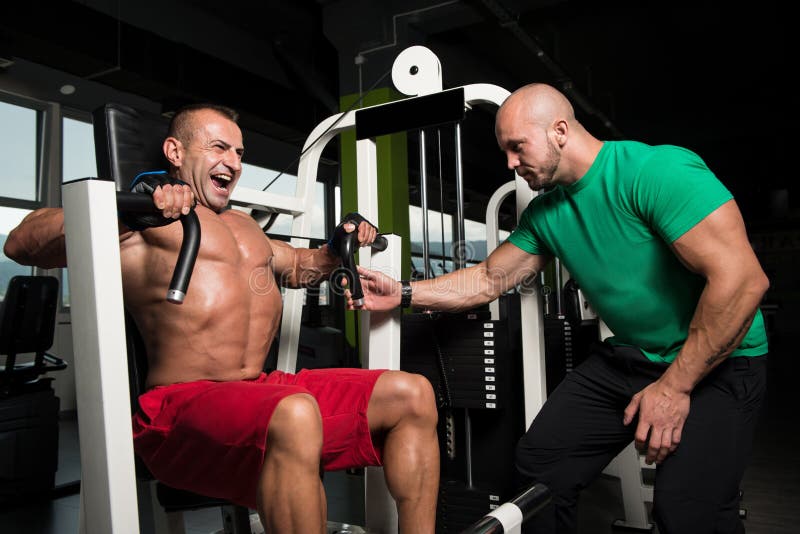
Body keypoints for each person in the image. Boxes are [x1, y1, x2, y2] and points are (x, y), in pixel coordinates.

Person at [347, 83, 768, 534]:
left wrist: (675, 387)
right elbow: (488, 278)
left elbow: (743, 281)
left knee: (686, 510)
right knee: (541, 467)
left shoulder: (655, 171)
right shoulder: (546, 214)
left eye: (517, 146)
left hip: (718, 362)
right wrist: (403, 293)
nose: (510, 163)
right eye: (505, 151)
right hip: (633, 356)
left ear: (560, 131)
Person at [4, 103, 439, 533]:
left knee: (412, 394)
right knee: (294, 412)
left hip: (263, 392)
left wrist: (339, 243)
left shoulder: (247, 228)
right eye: (219, 148)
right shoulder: (140, 225)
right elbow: (20, 243)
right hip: (179, 408)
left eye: (239, 153)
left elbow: (299, 266)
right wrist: (127, 208)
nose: (233, 162)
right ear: (175, 152)